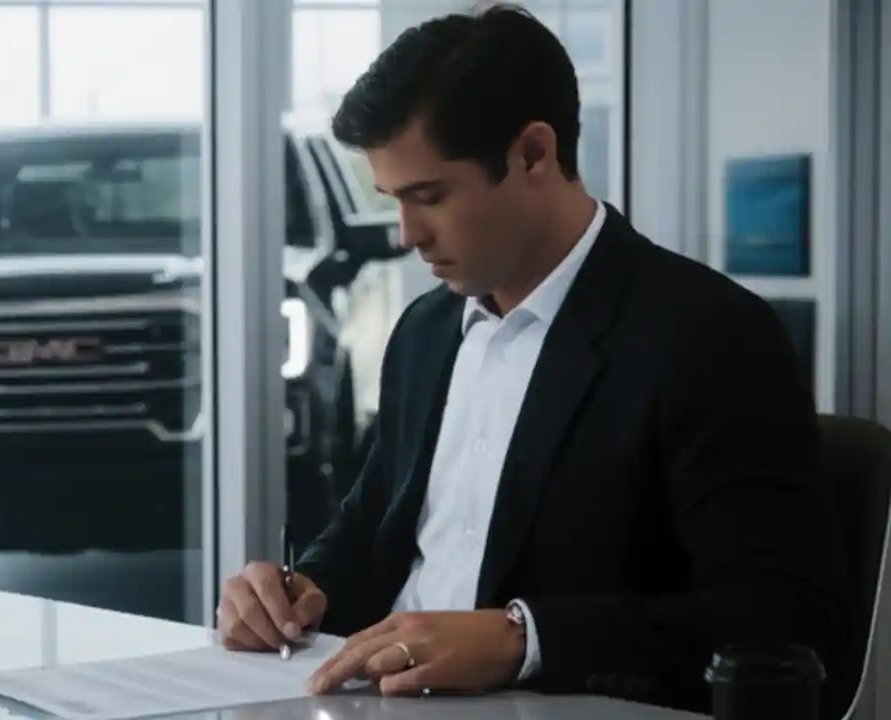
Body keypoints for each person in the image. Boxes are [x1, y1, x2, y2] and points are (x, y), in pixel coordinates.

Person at [217, 4, 850, 716]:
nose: (407, 234)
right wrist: (298, 592)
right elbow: (375, 522)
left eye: (430, 196)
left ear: (534, 155)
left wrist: (527, 638)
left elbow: (785, 615)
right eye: (393, 199)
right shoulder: (426, 331)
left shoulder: (708, 336)